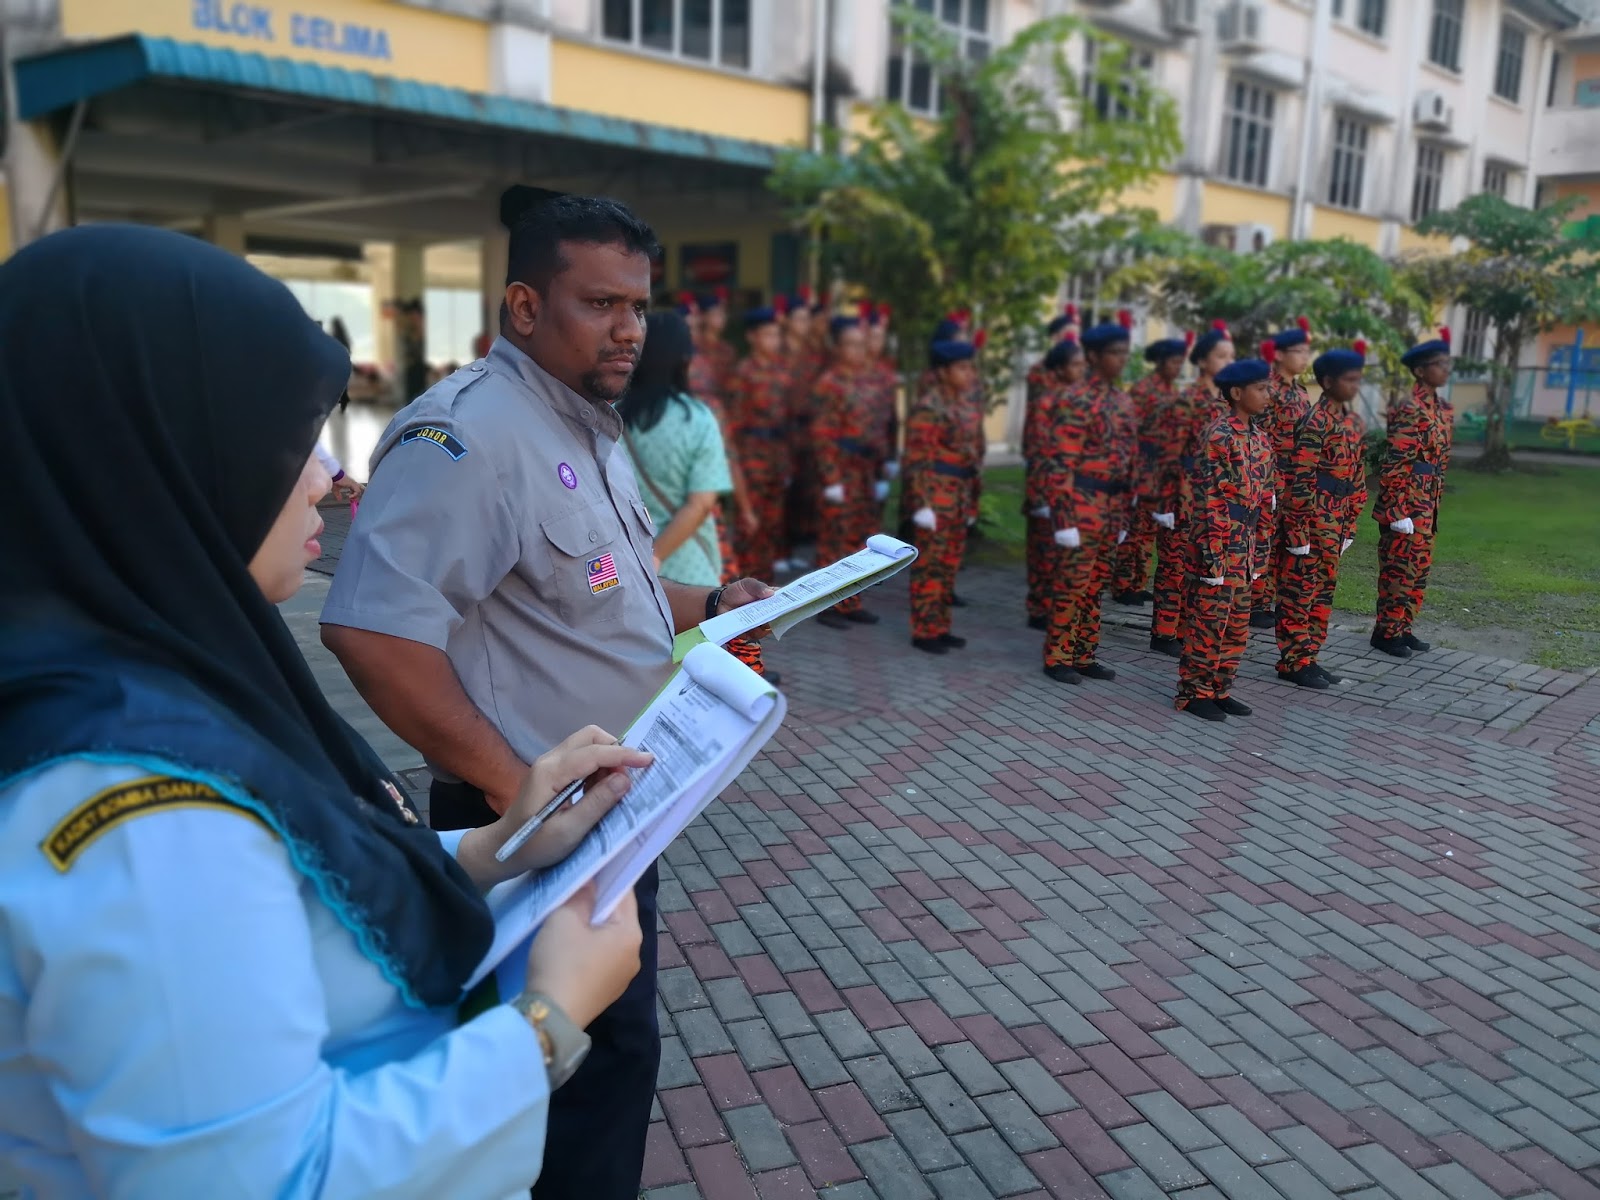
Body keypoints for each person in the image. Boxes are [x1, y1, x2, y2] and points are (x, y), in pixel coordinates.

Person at [0, 224, 653, 1199]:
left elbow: (292, 892)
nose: (328, 480)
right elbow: (266, 1181)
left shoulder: (153, 678)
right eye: (292, 439)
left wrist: (488, 851)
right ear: (163, 455)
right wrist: (548, 1023)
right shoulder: (145, 818)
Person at [318, 195, 774, 1200]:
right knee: (556, 1093)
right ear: (524, 304)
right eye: (600, 303)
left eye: (639, 306)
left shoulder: (586, 421)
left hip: (608, 814)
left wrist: (718, 602)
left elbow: (611, 594)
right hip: (520, 826)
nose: (628, 330)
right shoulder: (466, 435)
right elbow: (374, 632)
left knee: (611, 1067)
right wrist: (521, 792)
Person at [1176, 358, 1276, 722]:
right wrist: (1212, 557)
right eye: (1261, 389)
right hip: (1218, 542)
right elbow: (1208, 501)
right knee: (1209, 621)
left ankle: (1220, 687)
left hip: (1246, 543)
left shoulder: (1259, 437)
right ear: (1237, 393)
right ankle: (1194, 692)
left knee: (1235, 624)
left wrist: (1260, 549)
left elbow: (1266, 498)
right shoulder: (1218, 436)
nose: (1269, 394)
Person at [1041, 316, 1136, 686]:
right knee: (1072, 583)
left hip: (1111, 507)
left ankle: (1084, 653)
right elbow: (1060, 463)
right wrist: (1063, 520)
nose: (1121, 359)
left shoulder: (1122, 401)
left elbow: (1128, 460)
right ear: (1093, 356)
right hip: (1081, 503)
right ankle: (1058, 656)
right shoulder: (1075, 399)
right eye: (1114, 353)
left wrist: (1125, 515)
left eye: (1125, 353)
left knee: (1096, 585)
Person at [1276, 344, 1369, 688]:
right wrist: (1297, 531)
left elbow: (1358, 474)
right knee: (1300, 590)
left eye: (1358, 379)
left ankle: (1311, 655)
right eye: (1349, 379)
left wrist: (1352, 521)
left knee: (1323, 591)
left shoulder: (1352, 421)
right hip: (1313, 518)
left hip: (1337, 519)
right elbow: (1301, 478)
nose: (1355, 385)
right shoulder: (1315, 422)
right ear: (1327, 381)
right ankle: (1293, 660)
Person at [618, 311, 732, 585]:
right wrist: (655, 557)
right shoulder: (697, 418)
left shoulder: (610, 417)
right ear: (685, 359)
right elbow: (701, 504)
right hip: (688, 567)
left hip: (624, 562)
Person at [1147, 321, 1234, 657]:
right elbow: (1167, 455)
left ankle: (1184, 628)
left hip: (1213, 500)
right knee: (1173, 566)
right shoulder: (1187, 401)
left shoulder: (1228, 402)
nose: (1228, 362)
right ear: (1202, 361)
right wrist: (1164, 502)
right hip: (1182, 495)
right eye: (1221, 356)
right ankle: (1163, 632)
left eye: (1231, 356)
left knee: (1197, 567)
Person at [1372, 327, 1454, 658]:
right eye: (1439, 364)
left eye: (1448, 363)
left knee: (1418, 569)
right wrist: (1395, 511)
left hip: (1428, 500)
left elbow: (1440, 460)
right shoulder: (1409, 408)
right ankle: (1386, 632)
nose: (1445, 369)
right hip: (1407, 501)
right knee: (1398, 569)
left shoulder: (1443, 408)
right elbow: (1397, 463)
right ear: (1420, 371)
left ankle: (1404, 627)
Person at [903, 338, 984, 654]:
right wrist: (921, 504)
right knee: (931, 565)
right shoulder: (929, 407)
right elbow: (916, 459)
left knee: (949, 564)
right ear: (943, 371)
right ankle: (924, 630)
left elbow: (973, 457)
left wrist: (973, 501)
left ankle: (941, 626)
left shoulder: (966, 405)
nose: (968, 373)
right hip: (935, 497)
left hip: (959, 496)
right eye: (961, 368)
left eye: (968, 367)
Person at [812, 312, 884, 629]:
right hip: (841, 470)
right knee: (835, 539)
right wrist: (831, 479)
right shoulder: (830, 383)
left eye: (861, 345)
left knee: (859, 539)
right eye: (851, 345)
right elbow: (823, 433)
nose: (858, 351)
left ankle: (850, 601)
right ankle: (826, 604)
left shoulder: (866, 380)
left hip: (863, 472)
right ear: (839, 348)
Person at [1111, 333, 1189, 605]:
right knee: (1134, 529)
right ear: (1160, 362)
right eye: (1174, 362)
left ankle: (1138, 581)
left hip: (1162, 469)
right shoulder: (1144, 391)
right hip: (1143, 466)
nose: (1178, 367)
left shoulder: (1172, 391)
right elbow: (1131, 433)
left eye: (1181, 362)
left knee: (1148, 532)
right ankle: (1122, 585)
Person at [1252, 318, 1314, 629]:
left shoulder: (1301, 392)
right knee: (1264, 538)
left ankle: (1270, 598)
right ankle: (1255, 602)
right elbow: (1260, 438)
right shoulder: (1268, 389)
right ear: (1278, 355)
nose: (1305, 357)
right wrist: (1268, 484)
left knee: (1284, 540)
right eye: (1298, 351)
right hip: (1271, 477)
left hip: (1295, 478)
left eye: (1307, 351)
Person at [1023, 335, 1085, 631]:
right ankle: (1039, 607)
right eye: (1074, 364)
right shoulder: (1047, 402)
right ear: (1059, 368)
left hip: (1074, 492)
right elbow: (1039, 452)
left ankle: (1054, 608)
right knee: (1043, 555)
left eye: (1082, 364)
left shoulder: (1081, 400)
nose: (1080, 370)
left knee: (1064, 557)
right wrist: (1039, 498)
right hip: (1047, 489)